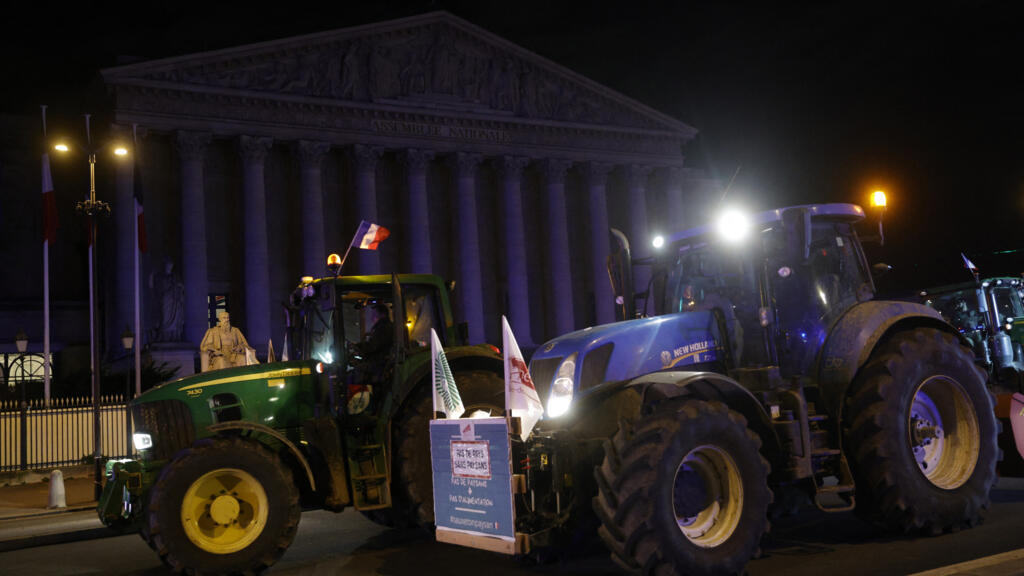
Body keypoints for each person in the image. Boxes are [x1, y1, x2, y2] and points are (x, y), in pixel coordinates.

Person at [150, 259, 184, 342]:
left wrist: (179, 287)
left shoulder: (174, 277)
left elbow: (180, 287)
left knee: (175, 318)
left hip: (174, 301)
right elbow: (157, 288)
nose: (169, 267)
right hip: (165, 300)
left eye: (170, 266)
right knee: (164, 317)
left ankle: (173, 336)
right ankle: (165, 336)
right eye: (168, 265)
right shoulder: (160, 277)